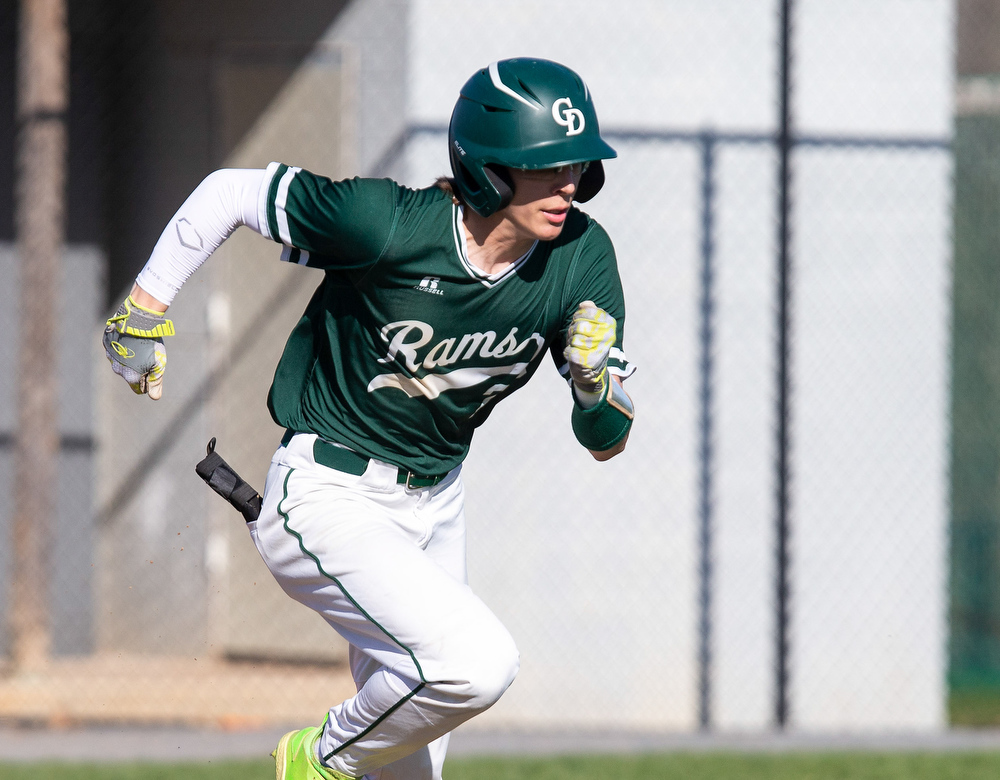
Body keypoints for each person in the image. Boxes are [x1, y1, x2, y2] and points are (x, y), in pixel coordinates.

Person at [103, 57, 635, 780]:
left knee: (420, 754)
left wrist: (594, 383)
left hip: (438, 505)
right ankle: (316, 759)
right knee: (475, 665)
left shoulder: (580, 257)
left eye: (575, 164)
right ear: (487, 168)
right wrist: (144, 309)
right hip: (329, 495)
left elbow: (607, 441)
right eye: (544, 166)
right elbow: (230, 192)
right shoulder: (388, 224)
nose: (568, 183)